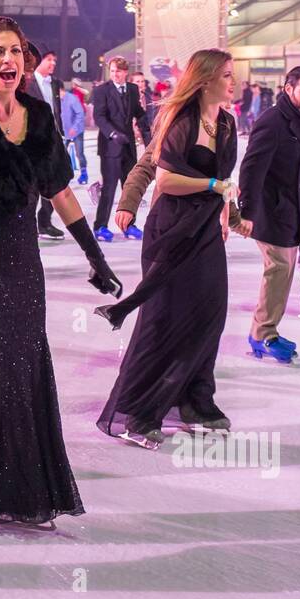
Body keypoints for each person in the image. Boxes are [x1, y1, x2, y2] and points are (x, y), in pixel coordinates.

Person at [0, 15, 120, 535]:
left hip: (22, 262)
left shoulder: (37, 116)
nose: (9, 60)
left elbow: (59, 191)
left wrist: (94, 257)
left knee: (19, 371)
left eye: (15, 51)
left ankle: (15, 492)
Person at [93, 49, 242, 448]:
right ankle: (134, 412)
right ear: (206, 78)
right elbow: (158, 174)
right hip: (173, 230)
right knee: (163, 321)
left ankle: (194, 402)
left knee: (209, 314)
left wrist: (233, 213)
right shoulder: (179, 120)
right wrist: (126, 204)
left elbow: (225, 179)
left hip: (206, 229)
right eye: (226, 75)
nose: (234, 81)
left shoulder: (225, 123)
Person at [239, 67, 300, 358]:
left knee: (284, 271)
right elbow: (251, 170)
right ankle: (262, 334)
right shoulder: (272, 121)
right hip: (271, 209)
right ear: (288, 89)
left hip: (292, 210)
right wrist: (247, 212)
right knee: (278, 270)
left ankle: (265, 330)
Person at [91, 55, 144, 242]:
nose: (115, 75)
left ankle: (129, 225)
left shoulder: (132, 89)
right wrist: (112, 134)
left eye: (118, 72)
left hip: (128, 147)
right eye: (112, 71)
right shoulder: (101, 91)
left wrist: (149, 135)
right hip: (110, 149)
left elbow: (139, 113)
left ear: (125, 73)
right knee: (109, 189)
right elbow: (99, 117)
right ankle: (100, 226)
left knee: (130, 189)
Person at [23, 48, 65, 240]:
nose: (52, 63)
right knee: (33, 184)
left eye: (54, 60)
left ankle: (45, 222)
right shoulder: (27, 83)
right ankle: (28, 223)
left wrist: (60, 133)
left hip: (53, 139)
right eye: (49, 59)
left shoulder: (55, 84)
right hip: (33, 141)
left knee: (52, 182)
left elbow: (56, 111)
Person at [60, 76, 88, 183]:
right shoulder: (57, 100)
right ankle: (65, 174)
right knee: (61, 153)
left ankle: (84, 174)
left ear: (61, 89)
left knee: (79, 153)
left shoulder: (72, 98)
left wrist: (74, 128)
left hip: (77, 131)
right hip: (64, 131)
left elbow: (80, 114)